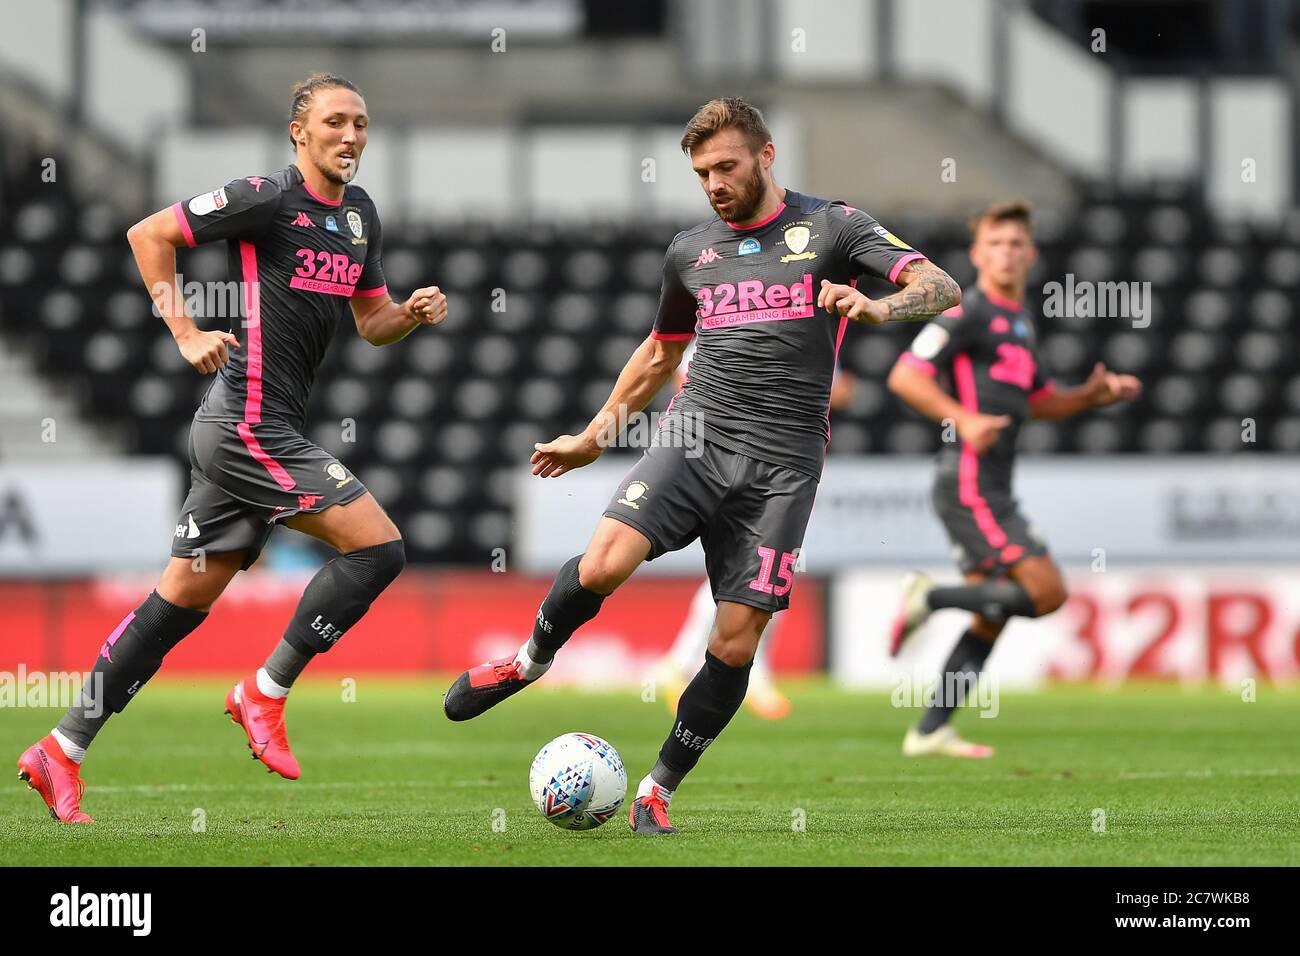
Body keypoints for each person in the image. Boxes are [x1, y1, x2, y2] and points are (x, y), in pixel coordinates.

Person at [443, 97, 960, 835]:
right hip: (693, 437)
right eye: (701, 172)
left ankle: (657, 789)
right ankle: (526, 663)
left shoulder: (834, 227)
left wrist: (879, 310)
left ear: (766, 155)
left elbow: (941, 287)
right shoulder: (690, 251)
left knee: (736, 639)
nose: (714, 182)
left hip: (783, 464)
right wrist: (596, 434)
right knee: (602, 565)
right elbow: (659, 353)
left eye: (726, 166)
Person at [17, 73, 447, 823]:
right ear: (299, 132)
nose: (351, 136)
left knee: (176, 605)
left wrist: (409, 313)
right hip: (248, 424)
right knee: (378, 548)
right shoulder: (265, 198)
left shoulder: (359, 216)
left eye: (362, 124)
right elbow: (147, 234)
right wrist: (184, 331)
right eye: (336, 122)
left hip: (258, 427)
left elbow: (371, 321)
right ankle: (264, 691)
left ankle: (60, 748)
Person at [886, 199, 1141, 758]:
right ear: (977, 254)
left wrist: (1091, 397)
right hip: (970, 481)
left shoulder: (1020, 323)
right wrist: (965, 418)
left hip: (990, 483)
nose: (1006, 252)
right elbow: (904, 375)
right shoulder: (966, 312)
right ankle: (930, 596)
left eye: (1015, 243)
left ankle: (929, 730)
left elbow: (1040, 401)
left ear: (1031, 254)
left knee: (992, 613)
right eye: (995, 243)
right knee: (1046, 592)